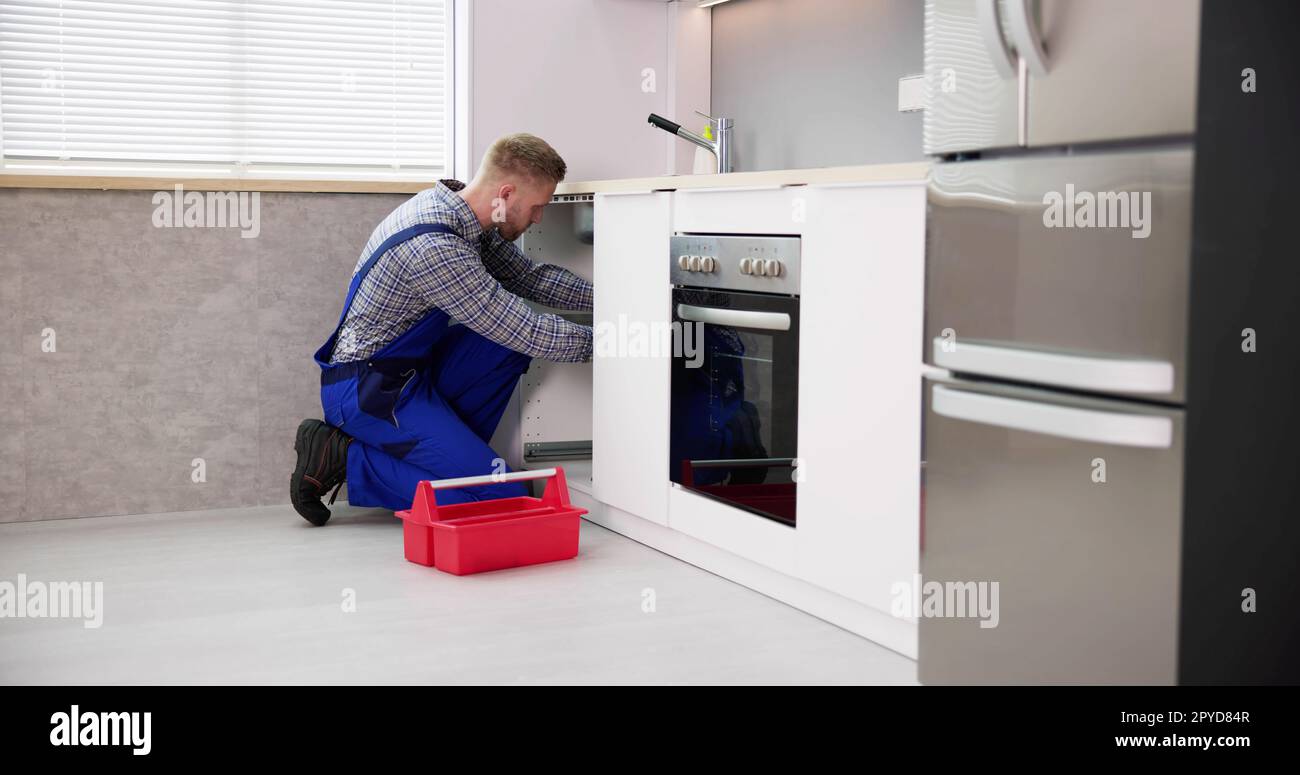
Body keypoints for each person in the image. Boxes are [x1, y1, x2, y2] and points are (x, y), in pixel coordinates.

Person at [289, 133, 593, 526]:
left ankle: (455, 459)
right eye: (537, 207)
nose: (538, 218)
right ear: (505, 192)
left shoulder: (464, 217)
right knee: (505, 498)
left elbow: (530, 279)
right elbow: (527, 329)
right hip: (368, 391)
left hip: (409, 374)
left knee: (503, 347)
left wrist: (620, 300)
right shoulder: (434, 245)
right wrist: (620, 343)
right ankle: (347, 456)